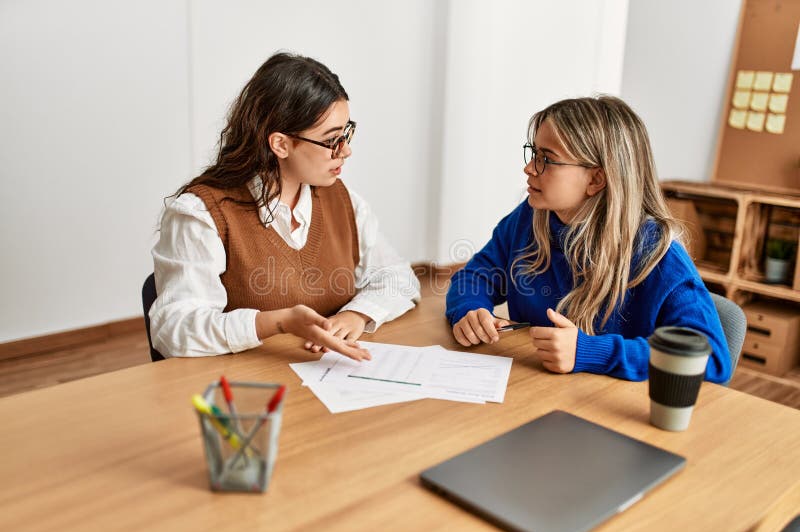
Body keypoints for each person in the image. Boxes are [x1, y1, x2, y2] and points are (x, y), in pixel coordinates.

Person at [150, 52, 420, 360]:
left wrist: (357, 315)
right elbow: (172, 330)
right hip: (245, 393)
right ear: (280, 144)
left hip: (321, 378)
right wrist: (278, 322)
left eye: (346, 132)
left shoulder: (343, 201)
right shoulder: (200, 215)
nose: (346, 151)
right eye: (332, 140)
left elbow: (399, 277)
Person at [445, 96, 731, 383]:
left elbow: (711, 358)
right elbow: (474, 277)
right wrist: (471, 310)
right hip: (537, 391)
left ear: (596, 180)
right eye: (533, 153)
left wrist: (589, 351)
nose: (529, 168)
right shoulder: (528, 219)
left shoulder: (657, 254)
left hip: (611, 412)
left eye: (546, 159)